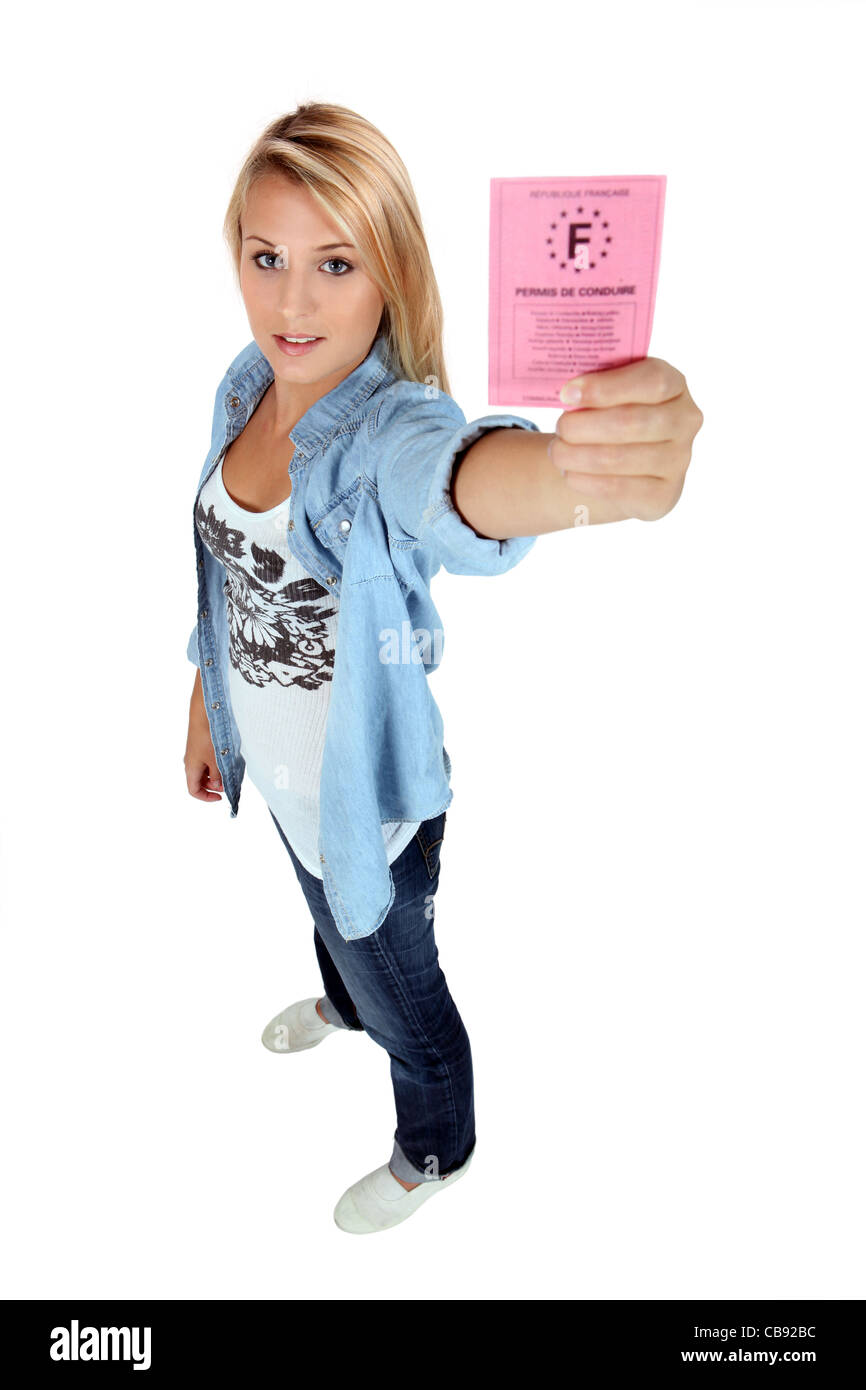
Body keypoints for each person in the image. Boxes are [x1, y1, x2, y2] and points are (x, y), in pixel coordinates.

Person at [183, 103, 703, 1234]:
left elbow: (455, 482)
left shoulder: (386, 432)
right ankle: (339, 997)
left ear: (389, 273)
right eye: (265, 258)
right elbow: (226, 576)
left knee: (405, 994)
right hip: (281, 778)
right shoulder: (242, 388)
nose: (291, 303)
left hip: (368, 809)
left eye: (334, 263)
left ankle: (436, 1144)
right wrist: (202, 708)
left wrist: (574, 472)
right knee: (327, 917)